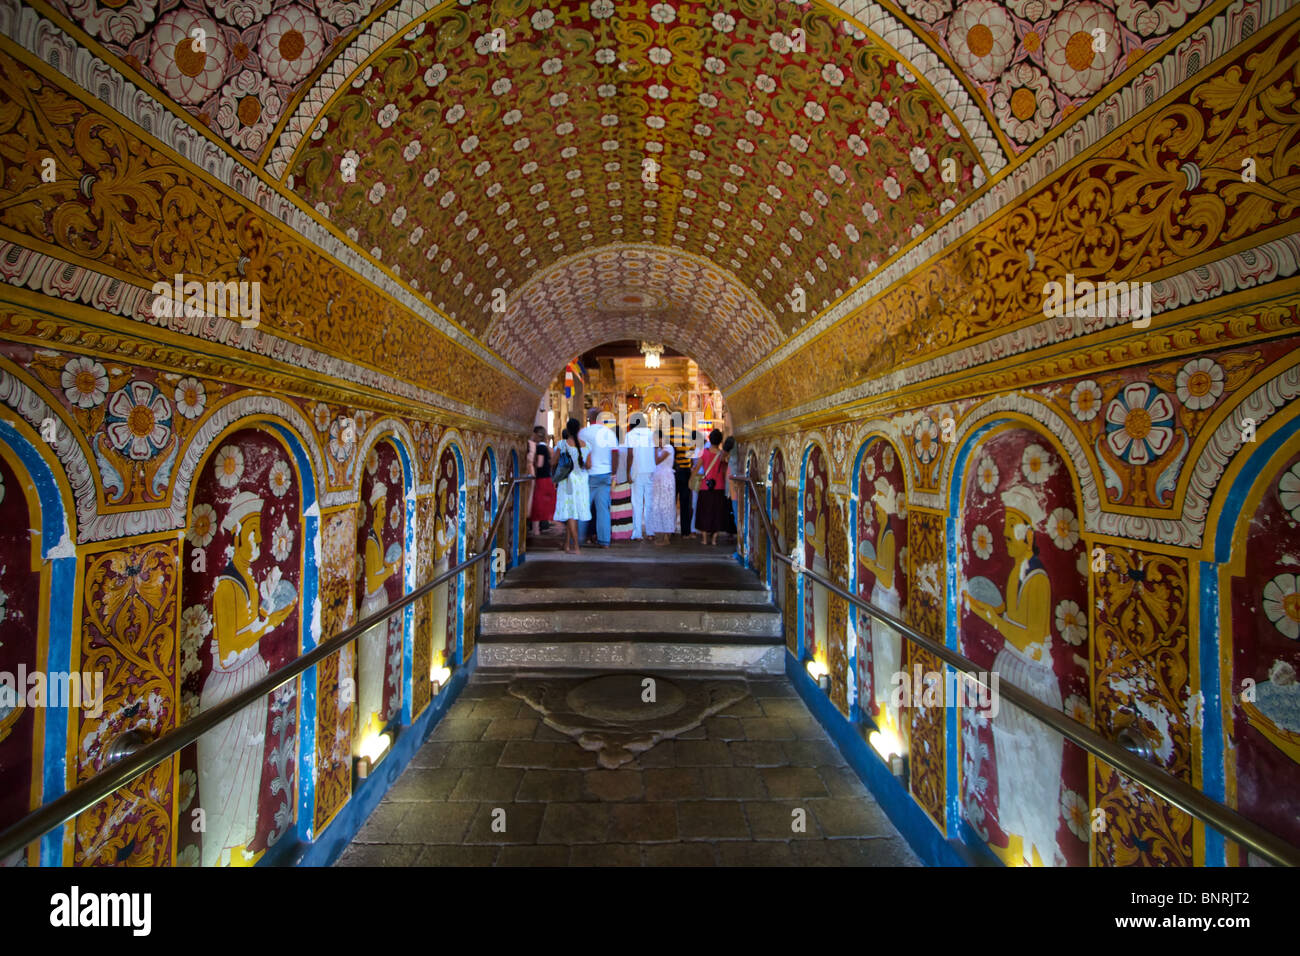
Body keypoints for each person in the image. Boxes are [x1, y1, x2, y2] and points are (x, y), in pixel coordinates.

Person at [577, 408, 619, 548]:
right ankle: (604, 541)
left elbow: (578, 453)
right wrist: (613, 474)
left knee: (584, 507)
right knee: (603, 509)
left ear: (589, 418)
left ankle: (578, 540)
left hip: (588, 475)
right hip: (605, 474)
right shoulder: (609, 433)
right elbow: (615, 454)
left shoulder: (583, 433)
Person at [552, 420, 591, 555]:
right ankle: (567, 545)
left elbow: (554, 461)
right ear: (579, 429)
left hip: (568, 482)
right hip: (582, 482)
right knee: (573, 512)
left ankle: (576, 547)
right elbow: (589, 466)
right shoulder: (587, 445)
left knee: (571, 513)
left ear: (567, 430)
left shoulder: (563, 444)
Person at [693, 428, 730, 546]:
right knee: (717, 513)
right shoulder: (722, 455)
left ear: (709, 439)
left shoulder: (704, 452)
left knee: (704, 512)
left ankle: (704, 539)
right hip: (719, 486)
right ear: (720, 441)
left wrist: (691, 478)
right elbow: (724, 470)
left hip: (705, 486)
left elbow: (697, 467)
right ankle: (714, 539)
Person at [625, 416, 657, 541]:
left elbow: (630, 455)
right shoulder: (651, 434)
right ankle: (650, 532)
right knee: (649, 502)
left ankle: (637, 533)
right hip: (650, 470)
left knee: (637, 503)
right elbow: (655, 454)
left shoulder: (630, 435)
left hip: (637, 471)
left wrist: (628, 472)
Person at [646, 432, 676, 545]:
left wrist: (654, 448)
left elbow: (657, 460)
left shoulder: (668, 448)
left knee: (666, 506)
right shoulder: (661, 449)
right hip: (659, 480)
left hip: (666, 480)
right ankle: (662, 535)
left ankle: (666, 537)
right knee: (658, 506)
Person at [669, 420, 695, 539]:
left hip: (673, 472)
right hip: (685, 472)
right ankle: (685, 532)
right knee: (685, 503)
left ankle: (670, 529)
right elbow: (692, 455)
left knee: (671, 502)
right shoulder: (688, 435)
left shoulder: (667, 434)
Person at [528, 427, 555, 536]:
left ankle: (536, 530)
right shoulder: (547, 448)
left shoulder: (540, 448)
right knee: (544, 504)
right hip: (547, 478)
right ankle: (538, 529)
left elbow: (539, 463)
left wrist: (531, 462)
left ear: (535, 435)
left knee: (537, 505)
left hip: (541, 479)